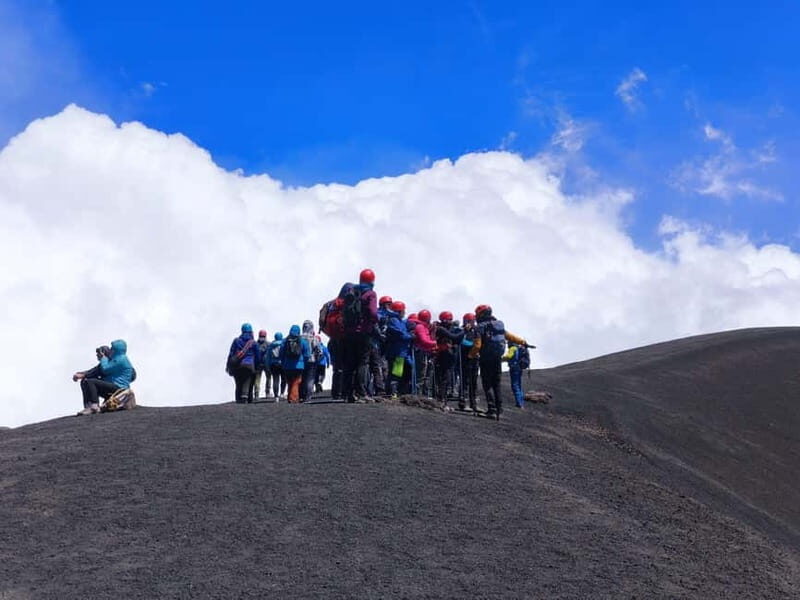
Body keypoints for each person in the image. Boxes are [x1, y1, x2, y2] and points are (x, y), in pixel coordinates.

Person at [469, 305, 527, 420]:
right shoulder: (498, 324)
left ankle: (491, 409)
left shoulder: (479, 327)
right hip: (497, 358)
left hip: (485, 358)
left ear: (480, 315)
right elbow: (509, 336)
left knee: (487, 384)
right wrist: (522, 341)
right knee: (496, 383)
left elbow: (477, 345)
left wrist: (471, 355)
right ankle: (499, 408)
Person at [340, 269, 379, 403]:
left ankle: (347, 393)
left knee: (350, 363)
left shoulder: (351, 292)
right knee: (363, 362)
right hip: (363, 333)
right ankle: (361, 393)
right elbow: (373, 313)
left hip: (349, 333)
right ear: (372, 280)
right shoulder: (370, 294)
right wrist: (376, 321)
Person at [73, 340, 135, 416]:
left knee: (90, 382)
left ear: (116, 349)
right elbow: (96, 370)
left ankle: (94, 407)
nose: (111, 349)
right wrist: (82, 374)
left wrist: (103, 358)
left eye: (112, 348)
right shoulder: (114, 359)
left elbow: (105, 369)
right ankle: (88, 407)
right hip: (112, 386)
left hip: (119, 388)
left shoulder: (121, 359)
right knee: (86, 381)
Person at [433, 311, 464, 410]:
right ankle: (441, 400)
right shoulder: (441, 329)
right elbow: (454, 337)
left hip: (447, 357)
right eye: (449, 319)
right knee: (443, 378)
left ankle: (443, 400)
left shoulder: (445, 329)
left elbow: (456, 340)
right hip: (442, 356)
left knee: (446, 379)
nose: (451, 322)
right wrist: (464, 331)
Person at [384, 300, 414, 397]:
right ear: (399, 311)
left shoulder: (398, 320)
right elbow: (401, 335)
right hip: (397, 352)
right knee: (396, 373)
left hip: (401, 352)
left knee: (400, 372)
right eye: (403, 310)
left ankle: (397, 391)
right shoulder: (394, 320)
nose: (404, 312)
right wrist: (411, 336)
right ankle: (393, 392)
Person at [227, 323, 260, 404]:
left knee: (238, 383)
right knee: (247, 381)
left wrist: (228, 365)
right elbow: (257, 356)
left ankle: (238, 399)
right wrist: (256, 366)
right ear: (251, 331)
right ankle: (244, 397)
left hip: (237, 365)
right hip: (249, 365)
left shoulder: (236, 341)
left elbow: (231, 354)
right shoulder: (253, 342)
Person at [280, 324, 312, 403]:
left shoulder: (285, 340)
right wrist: (304, 362)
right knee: (296, 381)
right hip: (299, 365)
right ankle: (293, 398)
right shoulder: (302, 341)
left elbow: (281, 353)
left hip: (287, 365)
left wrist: (283, 362)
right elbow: (307, 354)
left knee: (290, 381)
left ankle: (290, 397)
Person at [407, 311, 437, 395]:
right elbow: (424, 340)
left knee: (424, 374)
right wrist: (434, 343)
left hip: (424, 352)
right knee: (420, 374)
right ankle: (417, 393)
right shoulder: (420, 327)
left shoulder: (423, 327)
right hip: (421, 352)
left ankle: (421, 393)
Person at [459, 313, 480, 412]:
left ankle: (473, 403)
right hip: (466, 358)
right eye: (471, 321)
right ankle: (463, 403)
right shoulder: (462, 331)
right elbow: (462, 342)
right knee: (465, 381)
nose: (472, 323)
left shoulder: (476, 330)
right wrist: (473, 345)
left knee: (473, 382)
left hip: (474, 359)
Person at [300, 320, 322, 401]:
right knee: (310, 379)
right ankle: (308, 396)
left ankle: (302, 395)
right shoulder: (314, 338)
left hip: (301, 361)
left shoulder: (299, 337)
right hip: (312, 361)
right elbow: (319, 351)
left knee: (302, 378)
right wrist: (317, 359)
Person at [267, 332, 286, 400]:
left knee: (275, 380)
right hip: (282, 364)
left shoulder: (271, 345)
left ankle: (276, 396)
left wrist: (268, 365)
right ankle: (282, 393)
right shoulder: (283, 344)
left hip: (273, 364)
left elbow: (268, 357)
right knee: (284, 379)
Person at [254, 329, 271, 400]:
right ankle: (267, 393)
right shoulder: (269, 344)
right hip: (266, 363)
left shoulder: (255, 344)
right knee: (269, 378)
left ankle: (256, 394)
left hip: (258, 363)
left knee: (257, 379)